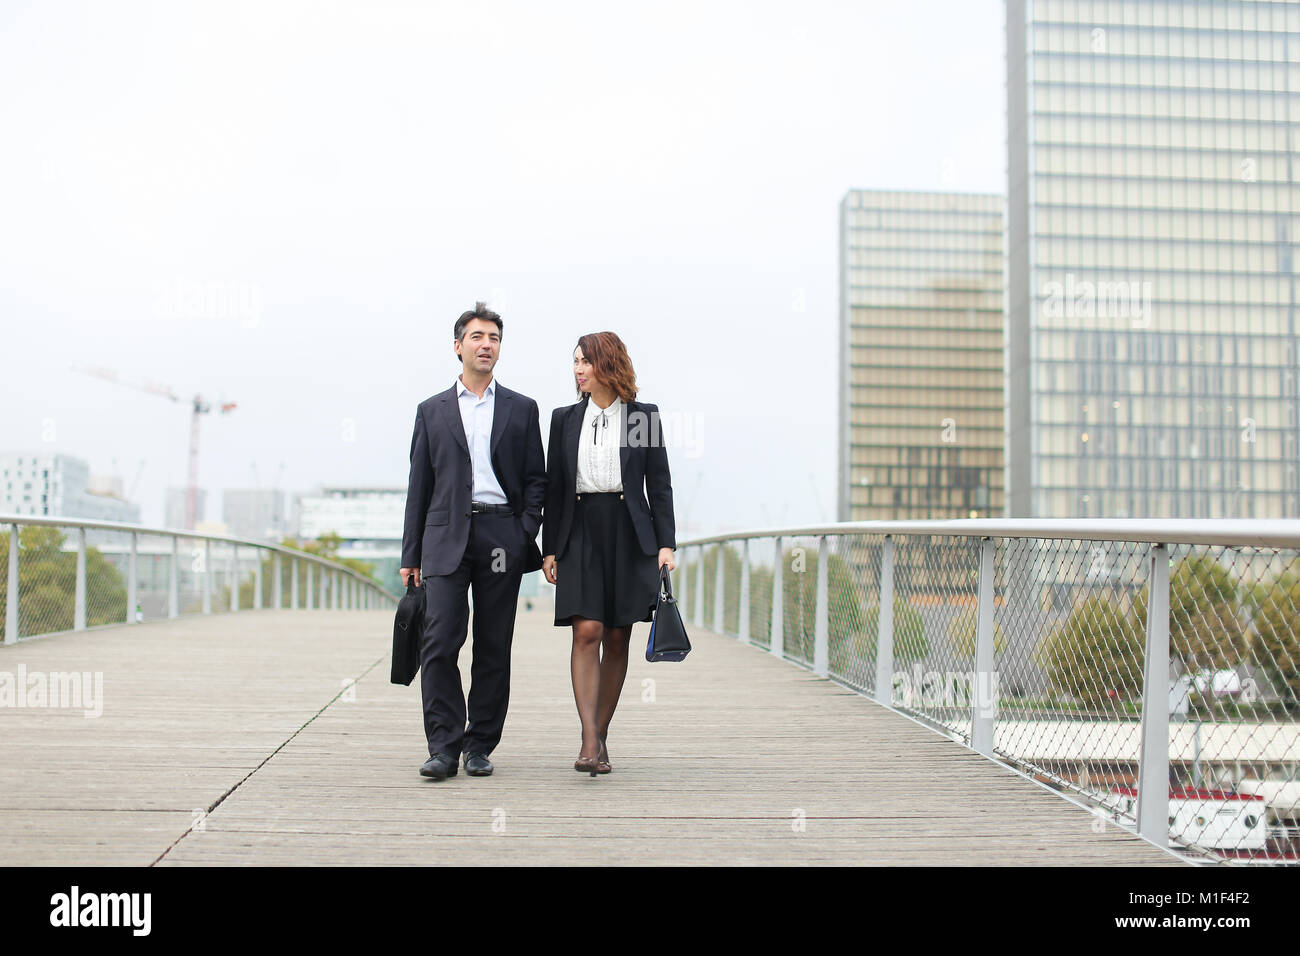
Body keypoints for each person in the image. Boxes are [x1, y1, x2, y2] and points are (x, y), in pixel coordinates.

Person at [399, 302, 546, 781]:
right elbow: (419, 485)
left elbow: (535, 479)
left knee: (493, 643)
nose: (487, 345)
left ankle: (479, 743)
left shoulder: (522, 409)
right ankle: (443, 746)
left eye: (495, 338)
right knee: (439, 641)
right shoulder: (431, 411)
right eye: (478, 337)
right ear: (458, 345)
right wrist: (411, 554)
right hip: (444, 539)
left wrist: (524, 530)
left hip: (501, 534)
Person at [542, 332, 675, 776]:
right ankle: (587, 739)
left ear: (608, 363)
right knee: (587, 631)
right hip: (579, 529)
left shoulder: (643, 417)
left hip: (630, 533)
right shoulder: (563, 419)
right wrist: (550, 548)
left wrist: (666, 544)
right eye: (575, 362)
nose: (578, 369)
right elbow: (556, 488)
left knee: (618, 636)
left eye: (586, 361)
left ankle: (601, 736)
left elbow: (659, 484)